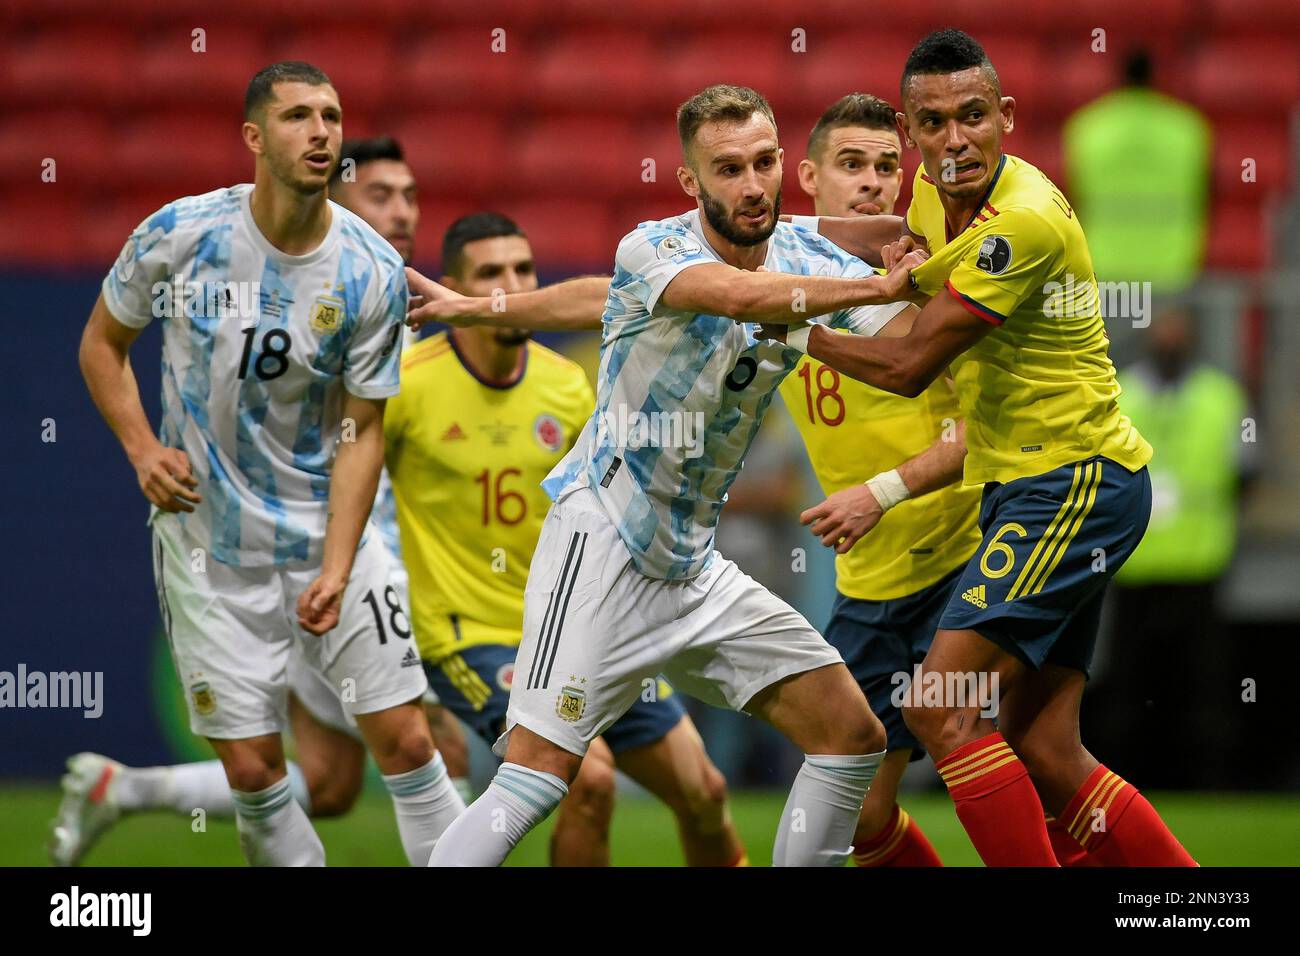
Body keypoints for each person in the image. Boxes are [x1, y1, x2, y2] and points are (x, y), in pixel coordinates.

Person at [409, 83, 928, 867]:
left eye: (762, 164)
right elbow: (734, 294)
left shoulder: (808, 257)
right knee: (538, 776)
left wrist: (961, 278)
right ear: (691, 183)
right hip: (604, 540)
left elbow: (908, 355)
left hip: (691, 564)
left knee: (851, 735)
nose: (751, 186)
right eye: (726, 170)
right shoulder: (655, 248)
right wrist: (880, 281)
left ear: (784, 163)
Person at [763, 30, 1196, 866]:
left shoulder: (1022, 223)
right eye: (932, 123)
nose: (954, 139)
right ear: (910, 130)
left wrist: (784, 329)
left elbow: (908, 364)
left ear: (1005, 115)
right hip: (1028, 486)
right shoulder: (928, 193)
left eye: (971, 117)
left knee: (940, 705)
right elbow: (893, 265)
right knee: (1044, 748)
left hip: (1073, 480)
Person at [70, 64, 463, 867]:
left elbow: (362, 431)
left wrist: (340, 561)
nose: (320, 132)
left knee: (407, 739)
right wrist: (142, 449)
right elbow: (101, 346)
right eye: (297, 116)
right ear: (255, 137)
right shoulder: (180, 236)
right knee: (256, 768)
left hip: (328, 536)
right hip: (206, 542)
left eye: (331, 116)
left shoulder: (369, 270)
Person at [388, 211, 747, 866]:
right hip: (471, 635)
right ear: (457, 291)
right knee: (591, 781)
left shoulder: (565, 381)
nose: (512, 284)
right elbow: (352, 491)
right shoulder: (409, 384)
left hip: (581, 626)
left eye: (521, 269)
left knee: (705, 791)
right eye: (490, 274)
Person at [783, 93, 981, 866]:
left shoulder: (940, 279)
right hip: (871, 580)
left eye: (885, 167)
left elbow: (984, 430)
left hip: (968, 553)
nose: (872, 184)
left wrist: (884, 490)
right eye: (851, 165)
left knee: (983, 738)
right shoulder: (774, 277)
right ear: (808, 177)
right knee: (864, 814)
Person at [1063, 49, 1211, 296]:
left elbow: (1075, 197)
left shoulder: (1087, 128)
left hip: (1104, 266)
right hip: (1173, 271)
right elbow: (1204, 200)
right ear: (1156, 77)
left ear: (1119, 78)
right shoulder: (1188, 129)